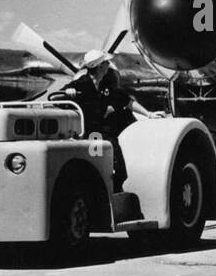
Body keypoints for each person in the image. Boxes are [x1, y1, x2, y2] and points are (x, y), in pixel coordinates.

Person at [55, 49, 154, 190]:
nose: (109, 64)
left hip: (107, 135)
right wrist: (67, 92)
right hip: (90, 135)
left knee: (119, 171)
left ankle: (115, 194)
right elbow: (55, 98)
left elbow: (126, 101)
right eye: (106, 62)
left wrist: (148, 113)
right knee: (96, 170)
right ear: (100, 66)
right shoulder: (80, 85)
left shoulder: (106, 86)